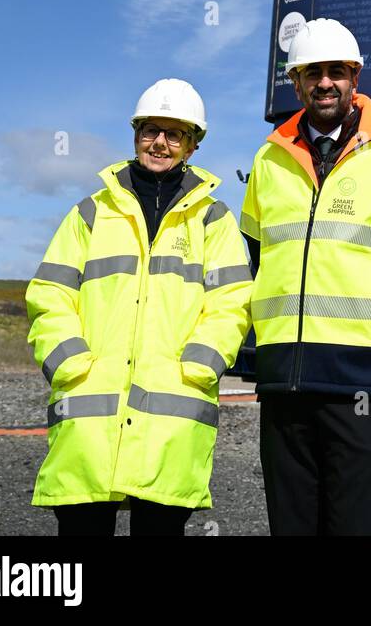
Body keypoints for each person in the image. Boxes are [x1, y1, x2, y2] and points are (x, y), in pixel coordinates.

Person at [241, 18, 371, 536]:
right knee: (291, 526)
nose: (325, 82)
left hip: (363, 380)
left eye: (337, 71)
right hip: (285, 376)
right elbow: (253, 258)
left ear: (355, 77)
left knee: (355, 525)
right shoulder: (269, 160)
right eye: (313, 73)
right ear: (296, 83)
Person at [26, 78, 252, 536]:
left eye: (175, 134)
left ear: (193, 145)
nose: (160, 143)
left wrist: (200, 366)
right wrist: (69, 362)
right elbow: (50, 293)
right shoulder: (90, 212)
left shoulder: (213, 219)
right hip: (91, 412)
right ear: (135, 135)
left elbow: (231, 303)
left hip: (172, 414)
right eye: (151, 130)